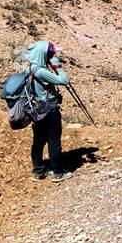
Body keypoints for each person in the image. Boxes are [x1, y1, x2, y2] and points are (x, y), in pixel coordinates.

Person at [25, 40, 70, 181]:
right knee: (53, 140)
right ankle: (57, 172)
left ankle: (38, 171)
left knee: (38, 140)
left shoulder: (30, 68)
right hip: (49, 109)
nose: (53, 54)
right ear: (44, 54)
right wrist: (57, 66)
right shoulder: (42, 72)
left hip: (37, 109)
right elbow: (63, 80)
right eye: (51, 53)